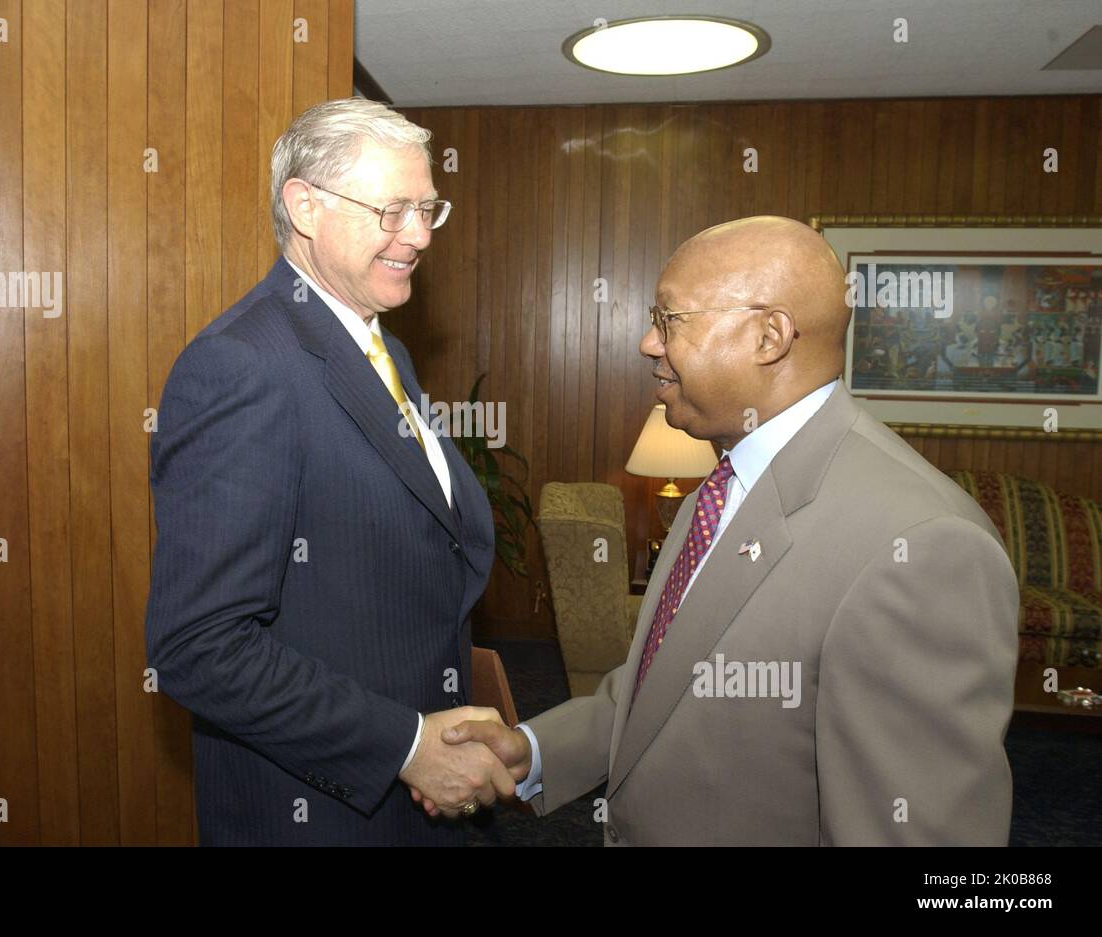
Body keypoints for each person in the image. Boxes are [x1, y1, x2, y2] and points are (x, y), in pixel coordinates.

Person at [424, 216, 1019, 845]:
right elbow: (662, 686)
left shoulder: (924, 547)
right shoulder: (722, 483)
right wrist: (533, 752)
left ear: (769, 337)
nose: (648, 343)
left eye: (670, 319)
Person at [146, 98, 512, 845]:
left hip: (409, 798)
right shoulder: (240, 365)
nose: (417, 235)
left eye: (427, 209)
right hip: (315, 811)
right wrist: (405, 745)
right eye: (392, 209)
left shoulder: (383, 346)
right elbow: (200, 648)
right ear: (304, 206)